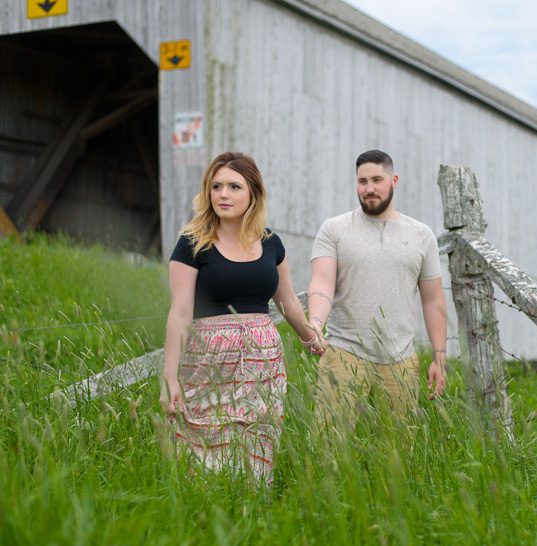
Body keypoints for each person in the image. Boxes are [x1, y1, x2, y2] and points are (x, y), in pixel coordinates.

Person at [160, 151, 323, 481]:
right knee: (207, 450)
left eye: (234, 187)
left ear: (253, 193)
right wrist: (170, 378)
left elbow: (288, 301)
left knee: (258, 447)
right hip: (209, 365)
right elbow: (179, 313)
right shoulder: (192, 243)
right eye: (216, 186)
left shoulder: (271, 242)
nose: (223, 194)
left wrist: (310, 335)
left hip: (264, 366)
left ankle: (253, 515)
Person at [307, 149, 447, 429]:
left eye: (377, 180)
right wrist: (315, 323)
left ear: (394, 179)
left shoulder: (421, 235)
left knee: (400, 449)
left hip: (400, 358)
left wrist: (439, 357)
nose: (369, 189)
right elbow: (322, 283)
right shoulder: (334, 229)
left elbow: (433, 300)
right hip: (343, 352)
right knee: (328, 444)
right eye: (362, 182)